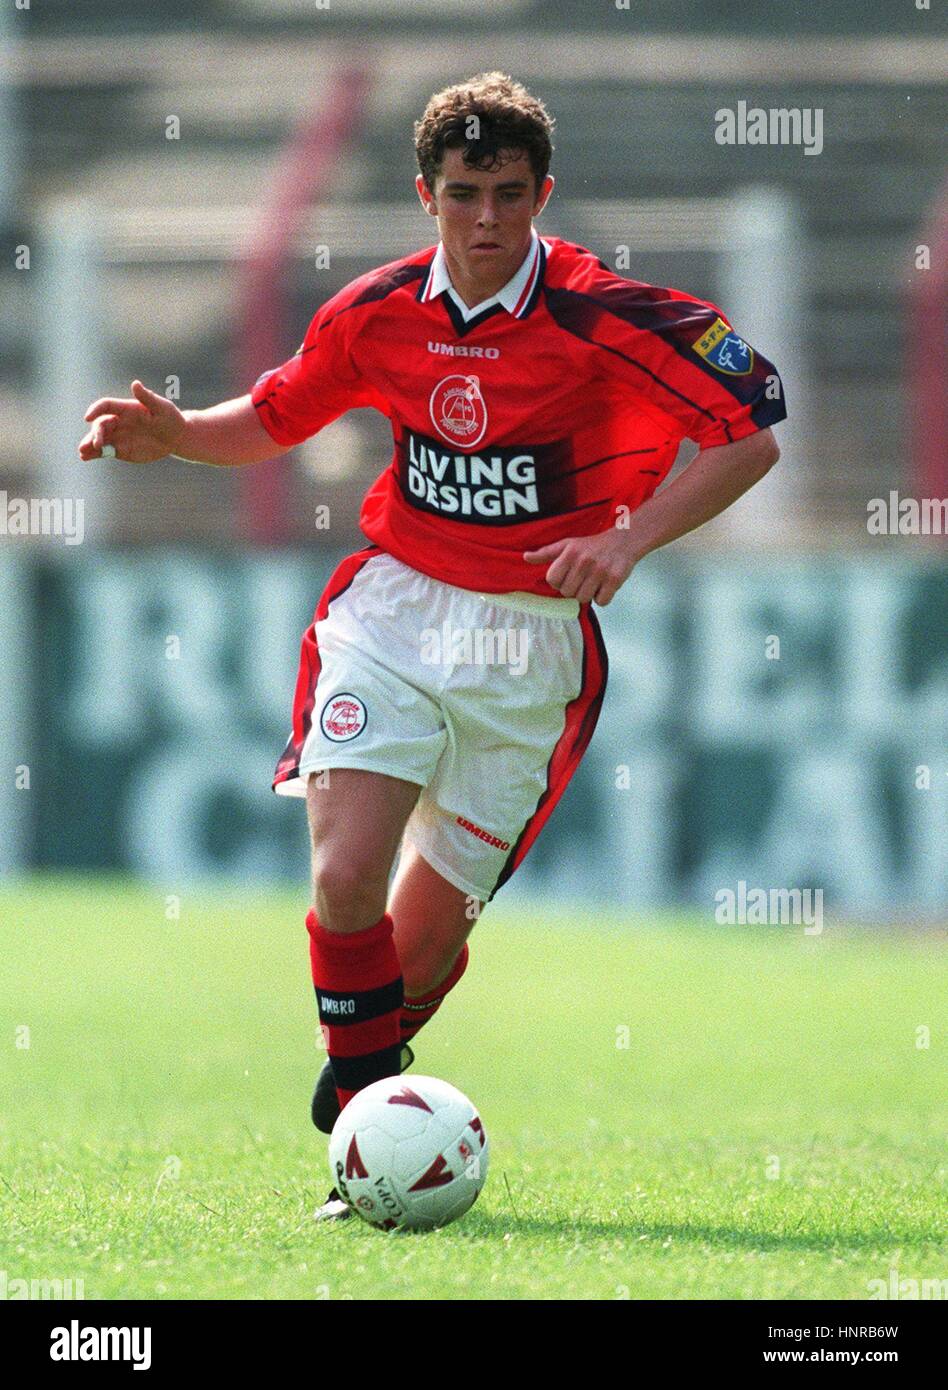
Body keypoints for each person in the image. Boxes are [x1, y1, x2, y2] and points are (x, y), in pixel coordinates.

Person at [79, 72, 785, 1221]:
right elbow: (282, 408)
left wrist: (631, 538)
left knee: (399, 974)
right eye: (466, 194)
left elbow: (752, 428)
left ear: (544, 193)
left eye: (511, 193)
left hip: (531, 653)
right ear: (427, 195)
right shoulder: (379, 309)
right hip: (394, 614)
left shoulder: (608, 317)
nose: (489, 219)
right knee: (345, 874)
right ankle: (365, 1168)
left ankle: (372, 1061)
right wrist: (180, 436)